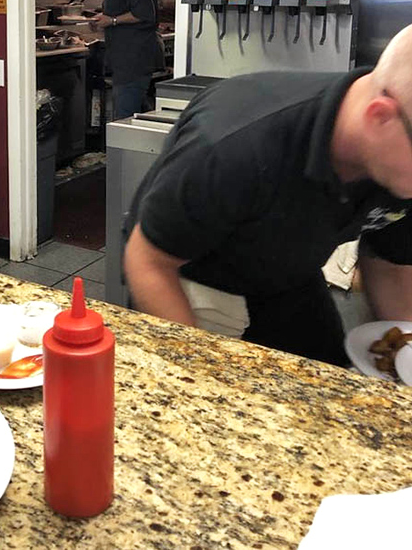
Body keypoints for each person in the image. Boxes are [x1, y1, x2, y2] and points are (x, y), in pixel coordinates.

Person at [123, 24, 412, 367]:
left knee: (325, 380)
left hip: (286, 273)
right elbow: (149, 263)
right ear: (380, 118)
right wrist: (195, 375)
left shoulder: (396, 161)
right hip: (191, 271)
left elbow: (389, 263)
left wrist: (401, 359)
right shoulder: (236, 146)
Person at [90, 0, 162, 120]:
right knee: (136, 113)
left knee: (125, 117)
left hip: (133, 62)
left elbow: (144, 14)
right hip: (126, 61)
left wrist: (112, 21)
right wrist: (104, 18)